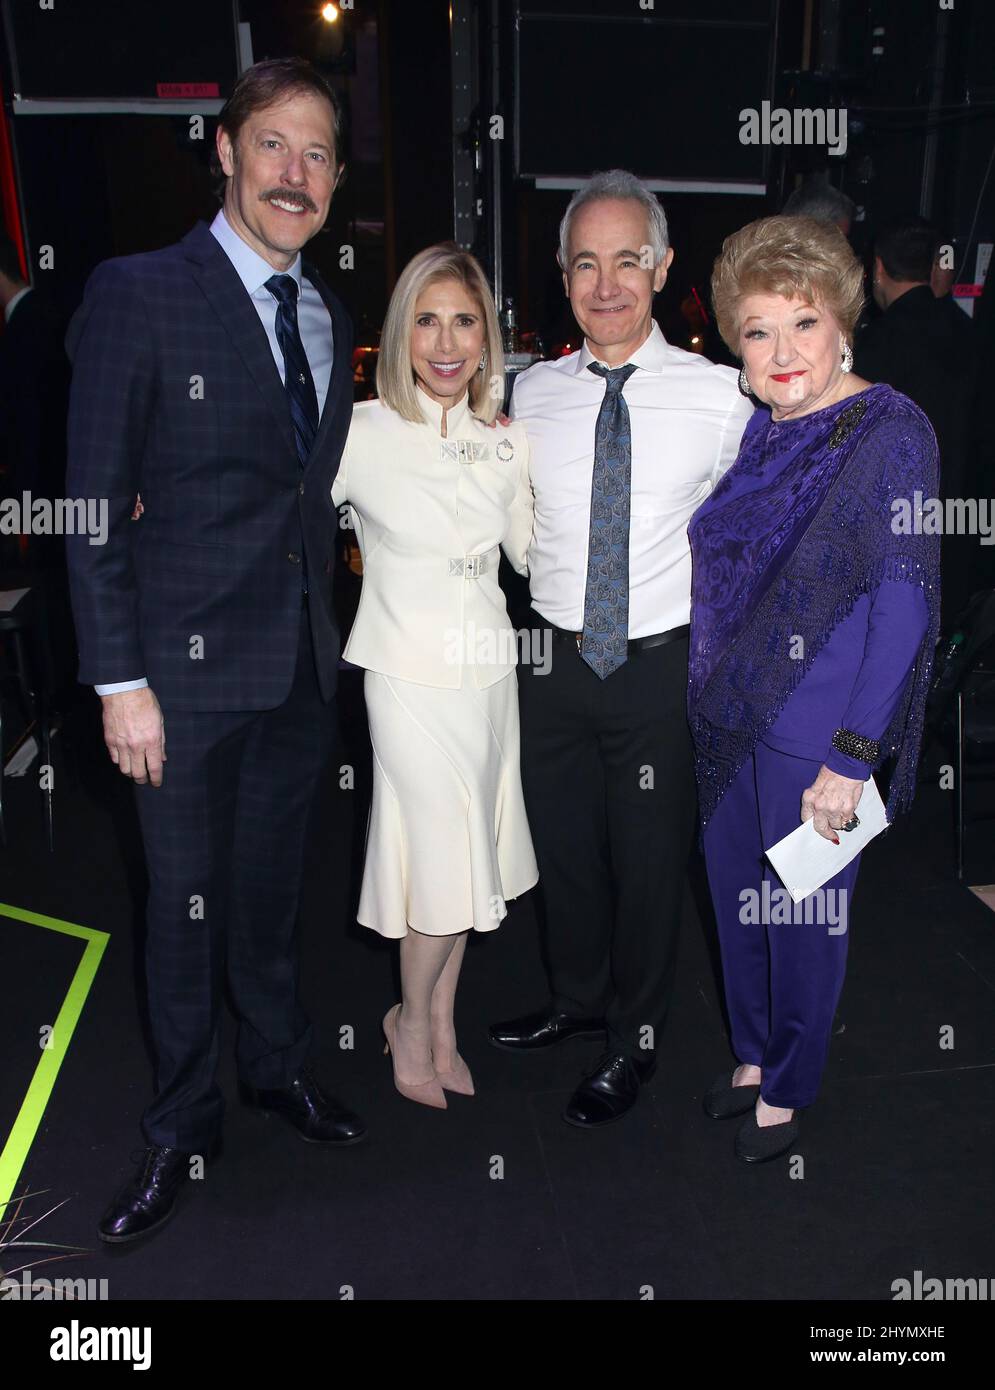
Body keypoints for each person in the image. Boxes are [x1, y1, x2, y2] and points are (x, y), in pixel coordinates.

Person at [65, 58, 365, 1245]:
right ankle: (180, 1124)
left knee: (269, 896)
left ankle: (276, 1067)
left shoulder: (327, 313)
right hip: (175, 687)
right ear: (226, 152)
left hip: (296, 670)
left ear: (337, 180)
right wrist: (118, 680)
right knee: (180, 911)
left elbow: (313, 494)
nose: (297, 172)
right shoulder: (141, 292)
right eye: (275, 145)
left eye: (320, 153)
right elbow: (93, 505)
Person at [490, 169, 753, 1127]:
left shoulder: (724, 396)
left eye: (627, 262)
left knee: (648, 864)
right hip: (552, 663)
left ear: (663, 267)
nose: (606, 285)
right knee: (562, 850)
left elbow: (772, 515)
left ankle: (633, 1042)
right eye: (585, 264)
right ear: (563, 276)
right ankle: (575, 999)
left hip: (656, 666)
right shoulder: (529, 392)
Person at [690, 215, 940, 1163]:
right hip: (727, 724)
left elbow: (904, 608)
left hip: (818, 740)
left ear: (843, 324)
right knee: (735, 899)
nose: (782, 350)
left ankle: (788, 1088)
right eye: (758, 329)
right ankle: (753, 1053)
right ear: (736, 346)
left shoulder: (890, 432)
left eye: (803, 322)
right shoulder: (761, 433)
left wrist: (852, 760)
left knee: (803, 915)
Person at [332, 244, 538, 1108]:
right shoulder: (356, 432)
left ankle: (441, 1024)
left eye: (464, 321)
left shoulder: (508, 442)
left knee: (466, 861)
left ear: (487, 338)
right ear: (399, 331)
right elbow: (270, 500)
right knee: (438, 871)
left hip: (489, 677)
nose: (446, 341)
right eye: (427, 320)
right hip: (404, 677)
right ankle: (408, 1024)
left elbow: (536, 560)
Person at [854, 216, 980, 624]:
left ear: (877, 269)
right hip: (964, 529)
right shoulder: (971, 336)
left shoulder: (870, 347)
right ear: (933, 267)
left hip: (888, 538)